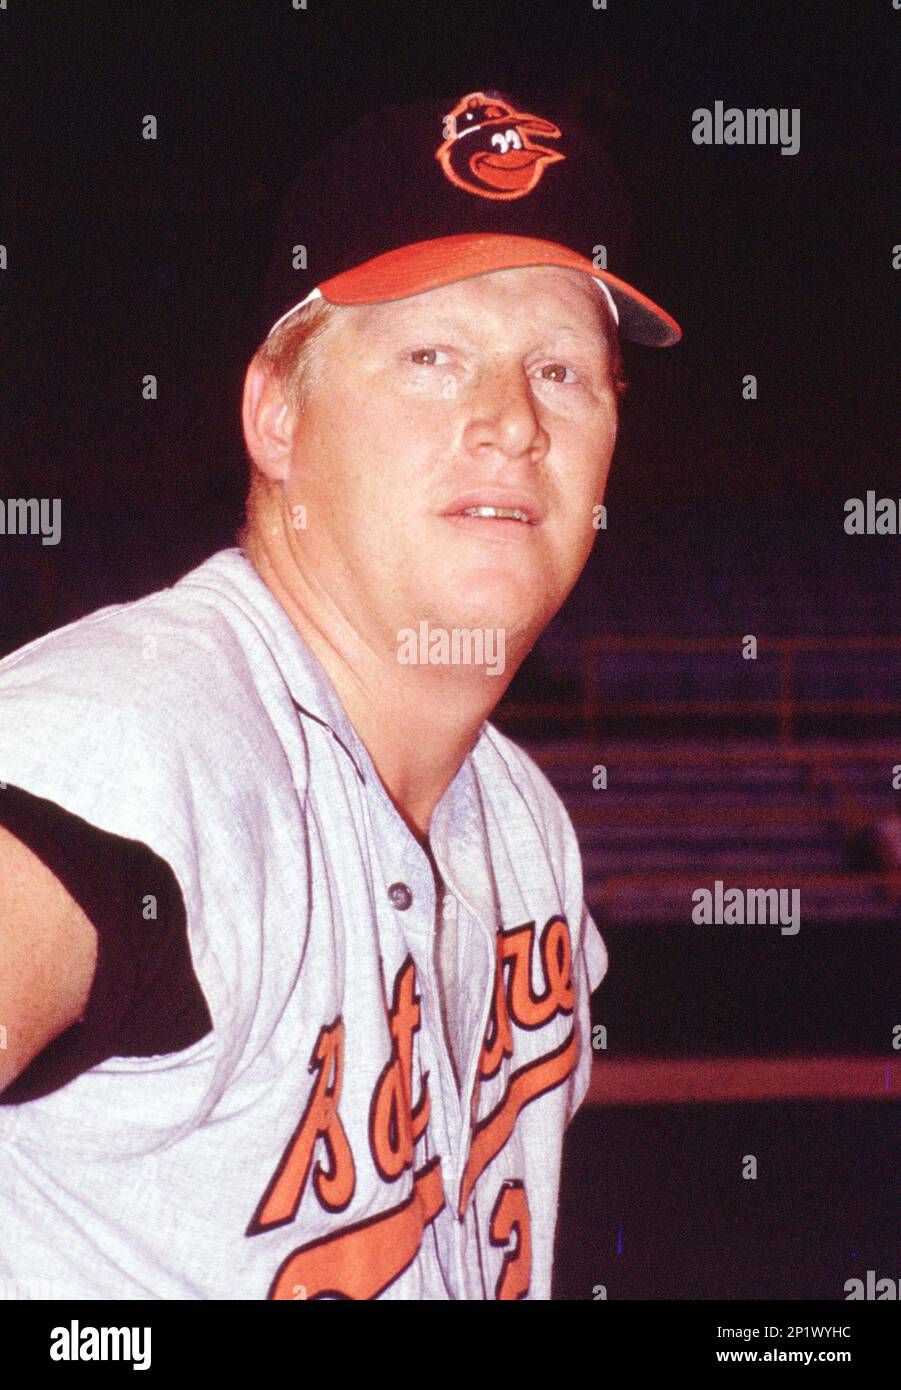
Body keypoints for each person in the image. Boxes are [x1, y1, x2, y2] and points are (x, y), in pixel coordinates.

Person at [0, 88, 680, 1300]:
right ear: (276, 413)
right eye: (431, 356)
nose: (511, 421)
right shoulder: (138, 738)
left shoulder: (523, 829)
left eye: (564, 370)